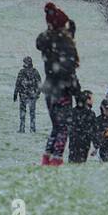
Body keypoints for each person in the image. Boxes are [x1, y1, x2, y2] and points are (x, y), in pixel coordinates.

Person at [36, 9, 80, 166]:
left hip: (50, 90)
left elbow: (41, 42)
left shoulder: (48, 42)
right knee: (64, 128)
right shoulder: (65, 45)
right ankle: (56, 160)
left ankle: (46, 158)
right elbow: (69, 71)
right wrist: (77, 92)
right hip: (63, 91)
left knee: (56, 126)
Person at [13, 56, 41, 133]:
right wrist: (37, 94)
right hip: (32, 95)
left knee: (23, 112)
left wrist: (15, 94)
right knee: (32, 113)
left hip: (23, 95)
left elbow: (17, 84)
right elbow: (39, 84)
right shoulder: (35, 72)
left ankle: (22, 128)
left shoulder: (22, 72)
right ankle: (32, 128)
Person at [69, 90, 98, 163]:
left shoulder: (72, 112)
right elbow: (94, 130)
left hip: (74, 142)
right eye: (91, 99)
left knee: (73, 162)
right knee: (81, 162)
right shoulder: (90, 114)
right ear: (87, 100)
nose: (93, 101)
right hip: (84, 143)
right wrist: (96, 145)